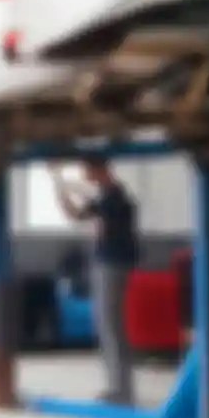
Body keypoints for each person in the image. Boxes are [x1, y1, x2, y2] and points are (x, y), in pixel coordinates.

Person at [50, 157, 141, 405]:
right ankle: (118, 387)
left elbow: (96, 220)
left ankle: (121, 390)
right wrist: (57, 182)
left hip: (113, 265)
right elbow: (75, 213)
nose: (85, 177)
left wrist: (65, 182)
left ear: (100, 170)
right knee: (108, 325)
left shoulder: (115, 198)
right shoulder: (105, 197)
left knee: (111, 325)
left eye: (87, 172)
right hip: (107, 264)